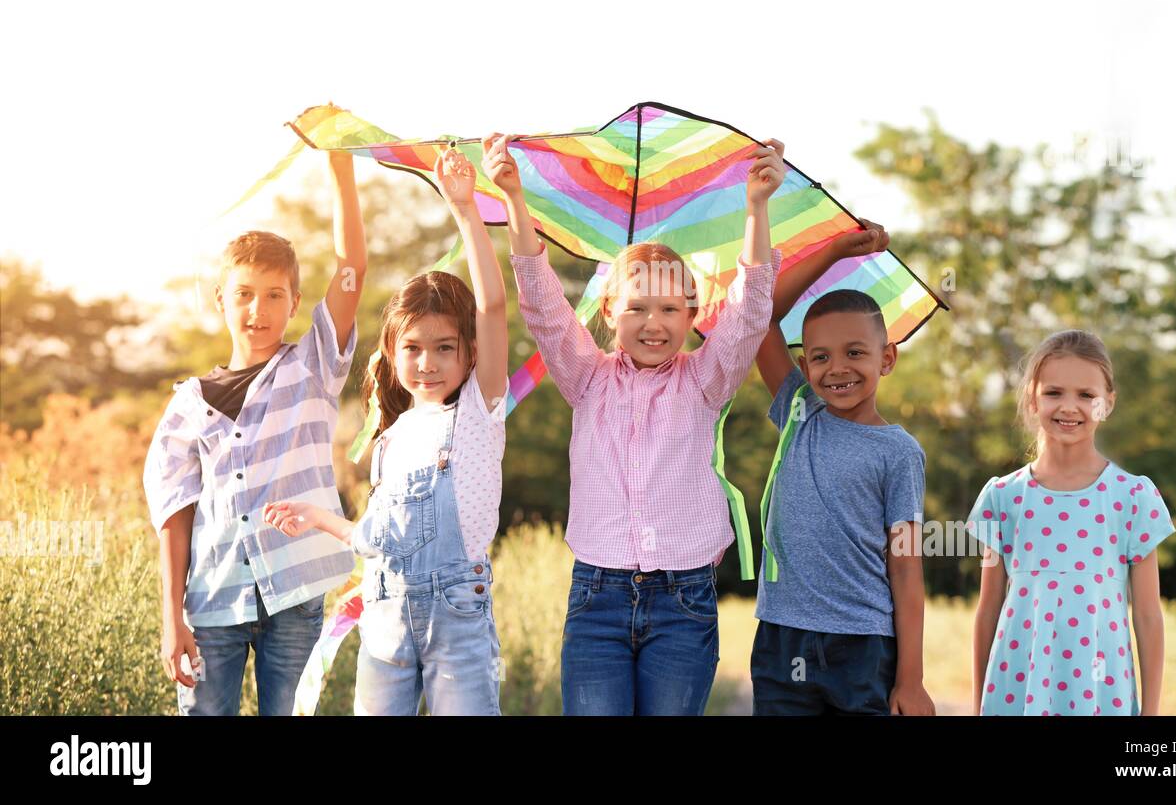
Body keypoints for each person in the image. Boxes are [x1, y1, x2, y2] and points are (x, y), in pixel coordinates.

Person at [490, 132, 786, 715]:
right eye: (636, 307)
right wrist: (514, 200)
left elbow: (753, 308)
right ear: (607, 311)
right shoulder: (586, 377)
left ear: (694, 315)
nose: (654, 323)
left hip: (684, 601)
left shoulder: (707, 380)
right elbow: (544, 306)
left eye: (671, 309)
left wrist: (756, 208)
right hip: (596, 596)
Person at [264, 142, 510, 715]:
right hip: (384, 615)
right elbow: (377, 538)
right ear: (393, 353)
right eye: (414, 349)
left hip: (458, 617)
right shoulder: (392, 437)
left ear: (470, 355)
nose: (428, 363)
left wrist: (465, 209)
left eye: (444, 348)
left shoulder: (477, 411)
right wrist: (319, 518)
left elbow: (494, 307)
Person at [144, 150, 365, 715]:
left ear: (294, 302)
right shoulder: (187, 407)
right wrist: (173, 619)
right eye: (243, 294)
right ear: (220, 299)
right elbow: (174, 515)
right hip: (211, 603)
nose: (257, 309)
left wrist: (340, 163)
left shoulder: (313, 366)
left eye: (273, 295)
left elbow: (352, 268)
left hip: (295, 597)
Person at [750, 220, 936, 715]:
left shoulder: (899, 453)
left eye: (855, 353)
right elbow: (760, 316)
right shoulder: (798, 410)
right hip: (782, 638)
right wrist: (832, 252)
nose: (837, 369)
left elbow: (906, 565)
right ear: (805, 364)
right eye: (819, 357)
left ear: (887, 358)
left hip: (863, 648)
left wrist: (911, 681)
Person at [966, 329, 1174, 715]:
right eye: (1054, 392)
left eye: (1086, 395)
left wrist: (1151, 711)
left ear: (1107, 404)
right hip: (1018, 689)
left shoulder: (1133, 498)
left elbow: (1147, 614)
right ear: (1032, 399)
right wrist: (980, 706)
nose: (1069, 407)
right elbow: (988, 610)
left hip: (1101, 693)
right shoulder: (1003, 497)